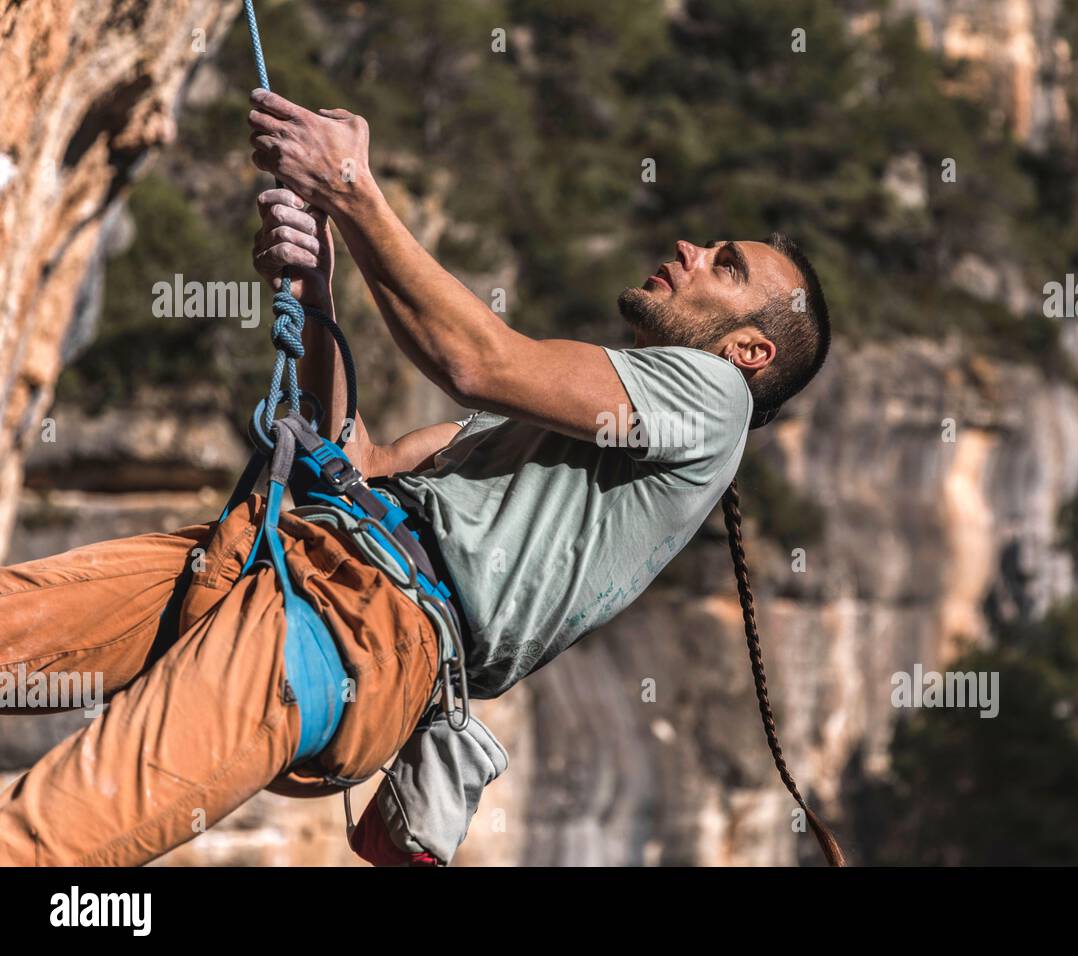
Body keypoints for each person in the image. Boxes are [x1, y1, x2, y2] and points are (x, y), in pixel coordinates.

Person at [0, 90, 833, 866]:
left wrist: (353, 189)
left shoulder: (717, 400)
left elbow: (473, 359)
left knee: (42, 834)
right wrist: (314, 280)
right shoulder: (528, 435)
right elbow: (347, 456)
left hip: (357, 630)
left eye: (725, 266)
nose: (690, 249)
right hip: (282, 557)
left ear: (749, 352)